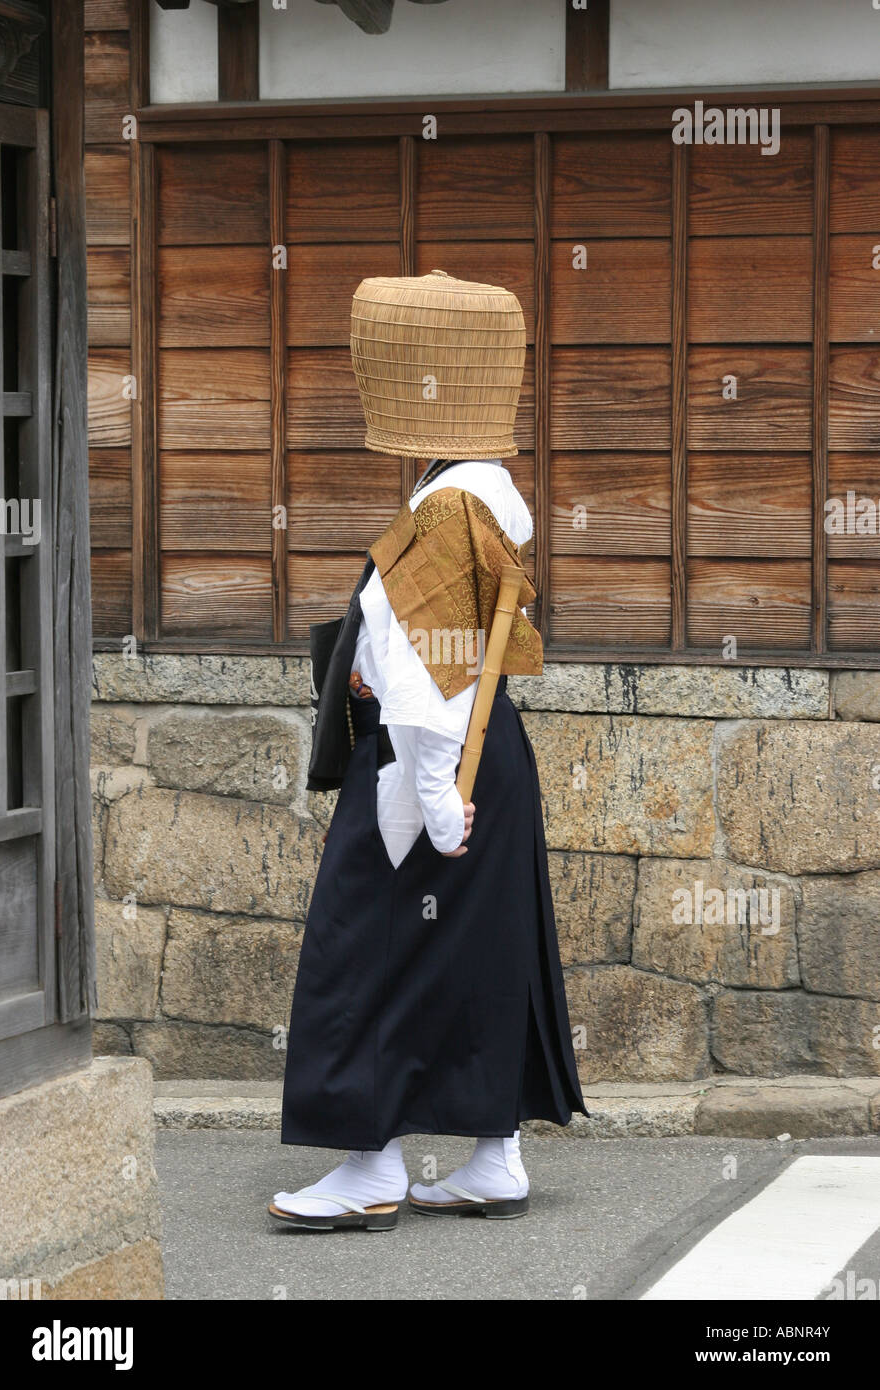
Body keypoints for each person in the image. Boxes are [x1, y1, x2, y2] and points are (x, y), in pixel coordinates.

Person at [270, 272, 588, 1232]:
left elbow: (426, 672)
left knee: (357, 944)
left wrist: (439, 800)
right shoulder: (485, 493)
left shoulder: (446, 509)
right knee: (476, 946)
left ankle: (369, 1165)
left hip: (430, 761)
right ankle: (496, 1155)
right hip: (493, 756)